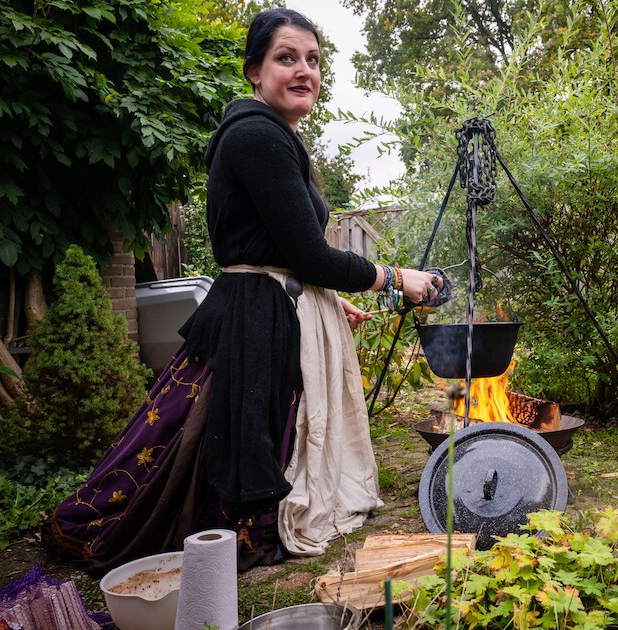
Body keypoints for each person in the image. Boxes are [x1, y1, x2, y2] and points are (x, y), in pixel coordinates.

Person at [43, 7, 444, 576]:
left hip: (265, 303)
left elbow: (283, 252)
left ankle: (237, 523)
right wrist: (392, 278)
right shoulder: (258, 134)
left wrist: (328, 297)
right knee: (231, 423)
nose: (303, 70)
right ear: (255, 71)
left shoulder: (273, 136)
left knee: (218, 421)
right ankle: (233, 532)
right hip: (253, 313)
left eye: (313, 60)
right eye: (287, 58)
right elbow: (307, 253)